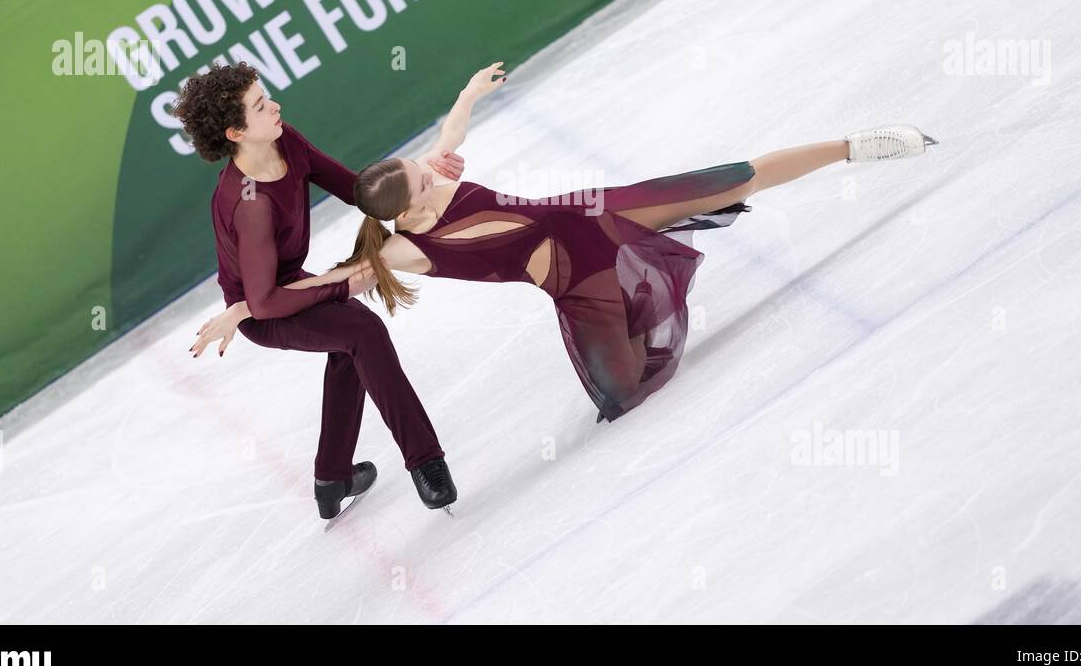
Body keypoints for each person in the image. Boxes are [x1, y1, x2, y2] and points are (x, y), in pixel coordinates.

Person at [201, 63, 939, 425]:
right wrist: (241, 312)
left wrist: (467, 93)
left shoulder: (426, 179)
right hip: (577, 290)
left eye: (422, 164)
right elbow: (325, 283)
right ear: (415, 201)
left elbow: (450, 135)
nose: (434, 165)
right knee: (622, 394)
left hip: (596, 215)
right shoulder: (403, 254)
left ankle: (851, 145)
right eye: (422, 174)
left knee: (725, 178)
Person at [173, 62, 468, 521]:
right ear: (235, 133)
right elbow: (266, 301)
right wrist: (341, 285)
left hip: (285, 284)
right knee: (362, 332)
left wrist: (416, 173)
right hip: (264, 308)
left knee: (351, 341)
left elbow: (355, 190)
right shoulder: (250, 205)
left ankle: (332, 478)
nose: (275, 106)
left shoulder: (283, 139)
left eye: (265, 96)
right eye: (259, 106)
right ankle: (426, 462)